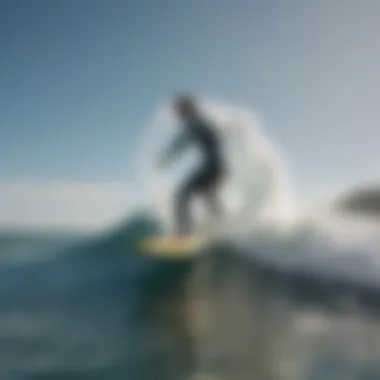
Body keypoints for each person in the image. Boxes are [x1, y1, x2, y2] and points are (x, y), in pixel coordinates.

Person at [158, 94, 226, 237]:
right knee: (208, 197)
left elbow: (181, 142)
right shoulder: (200, 122)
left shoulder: (195, 122)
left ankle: (183, 235)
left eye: (180, 110)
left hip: (213, 166)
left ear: (188, 109)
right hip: (218, 166)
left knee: (181, 195)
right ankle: (224, 226)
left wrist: (166, 158)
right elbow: (218, 137)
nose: (177, 114)